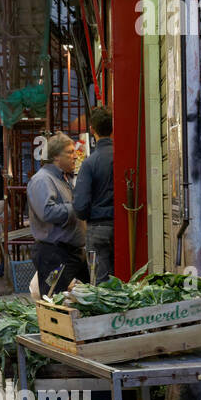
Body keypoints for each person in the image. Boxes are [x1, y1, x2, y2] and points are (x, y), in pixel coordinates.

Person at [28, 132, 90, 294]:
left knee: (89, 294)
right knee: (53, 299)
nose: (75, 156)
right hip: (54, 256)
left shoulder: (63, 179)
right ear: (56, 157)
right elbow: (47, 212)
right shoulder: (42, 180)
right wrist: (76, 207)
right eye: (69, 152)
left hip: (72, 253)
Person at [72, 107, 115, 282]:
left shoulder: (89, 164)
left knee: (100, 284)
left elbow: (80, 207)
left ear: (92, 130)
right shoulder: (121, 157)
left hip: (97, 229)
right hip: (123, 227)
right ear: (112, 128)